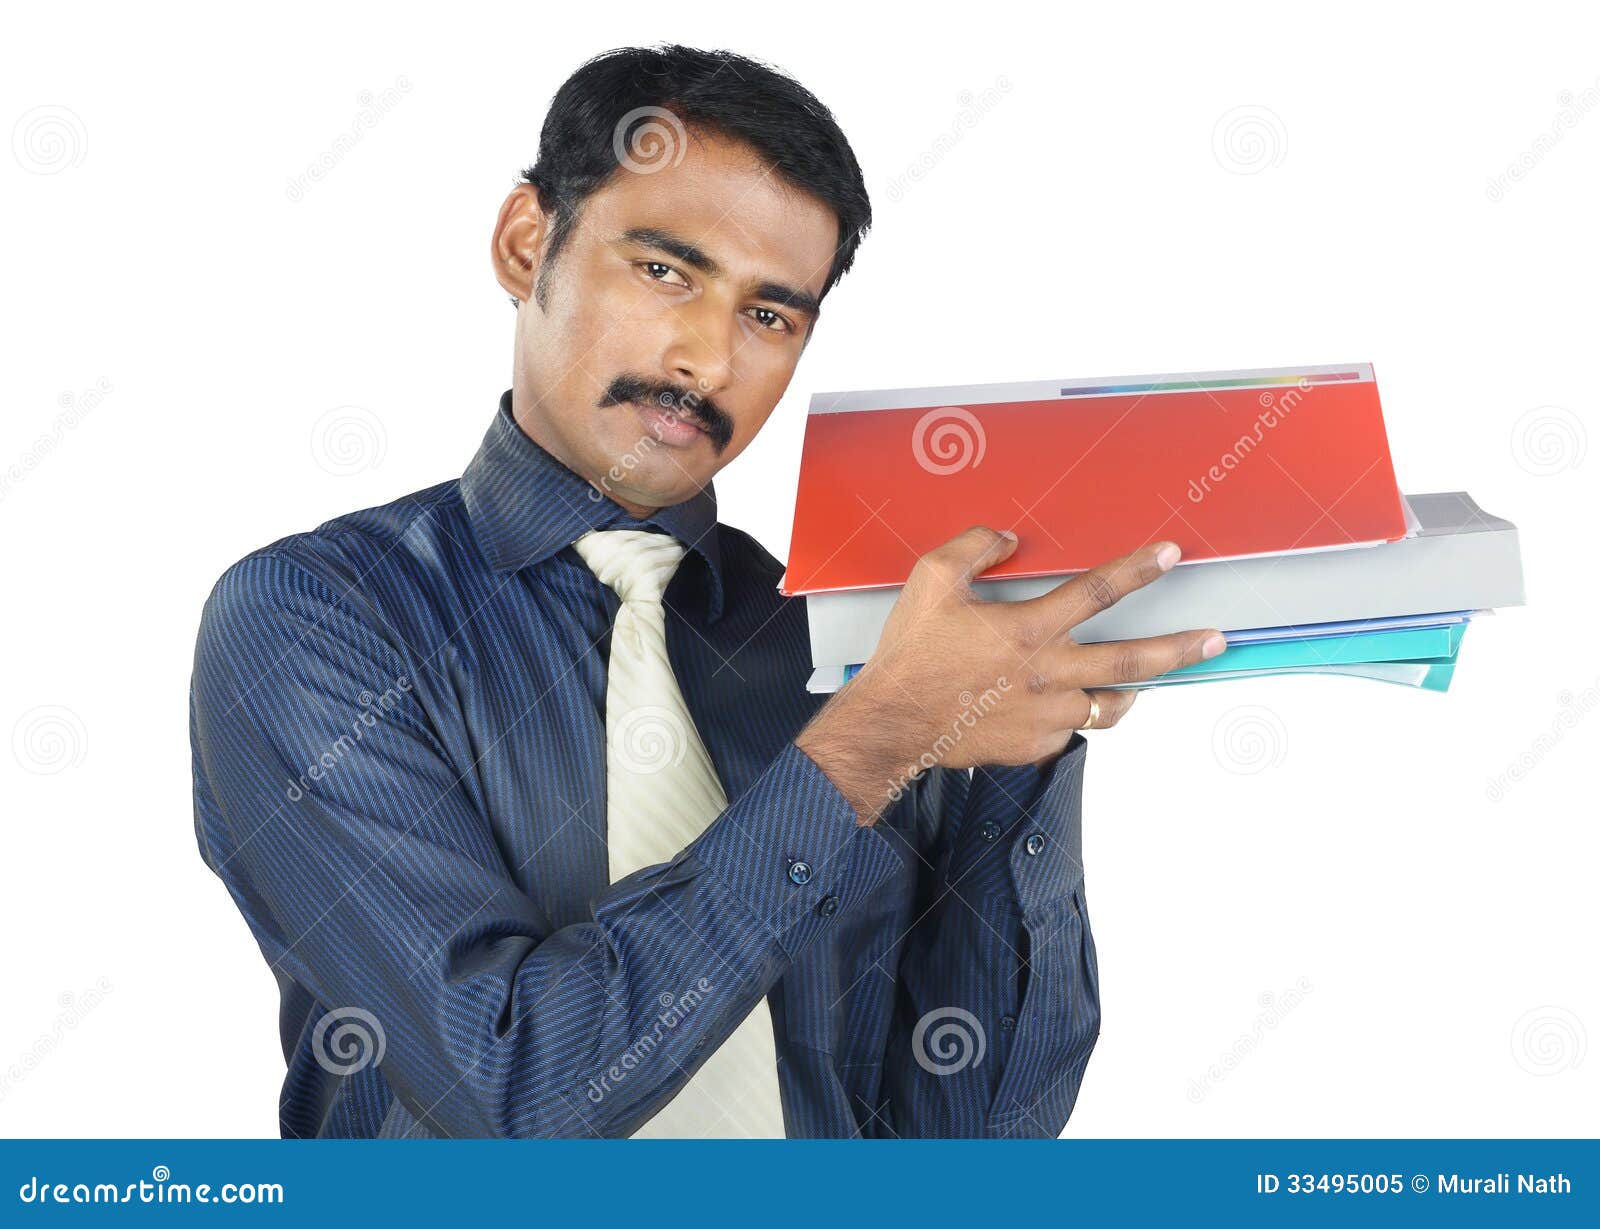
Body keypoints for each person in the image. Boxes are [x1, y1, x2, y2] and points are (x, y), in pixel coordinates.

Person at [189, 43, 1225, 1139]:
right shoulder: (312, 618)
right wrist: (868, 744)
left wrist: (1025, 729)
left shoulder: (854, 647)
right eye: (665, 271)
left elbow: (974, 1134)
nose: (707, 357)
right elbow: (510, 1090)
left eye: (770, 316)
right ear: (525, 242)